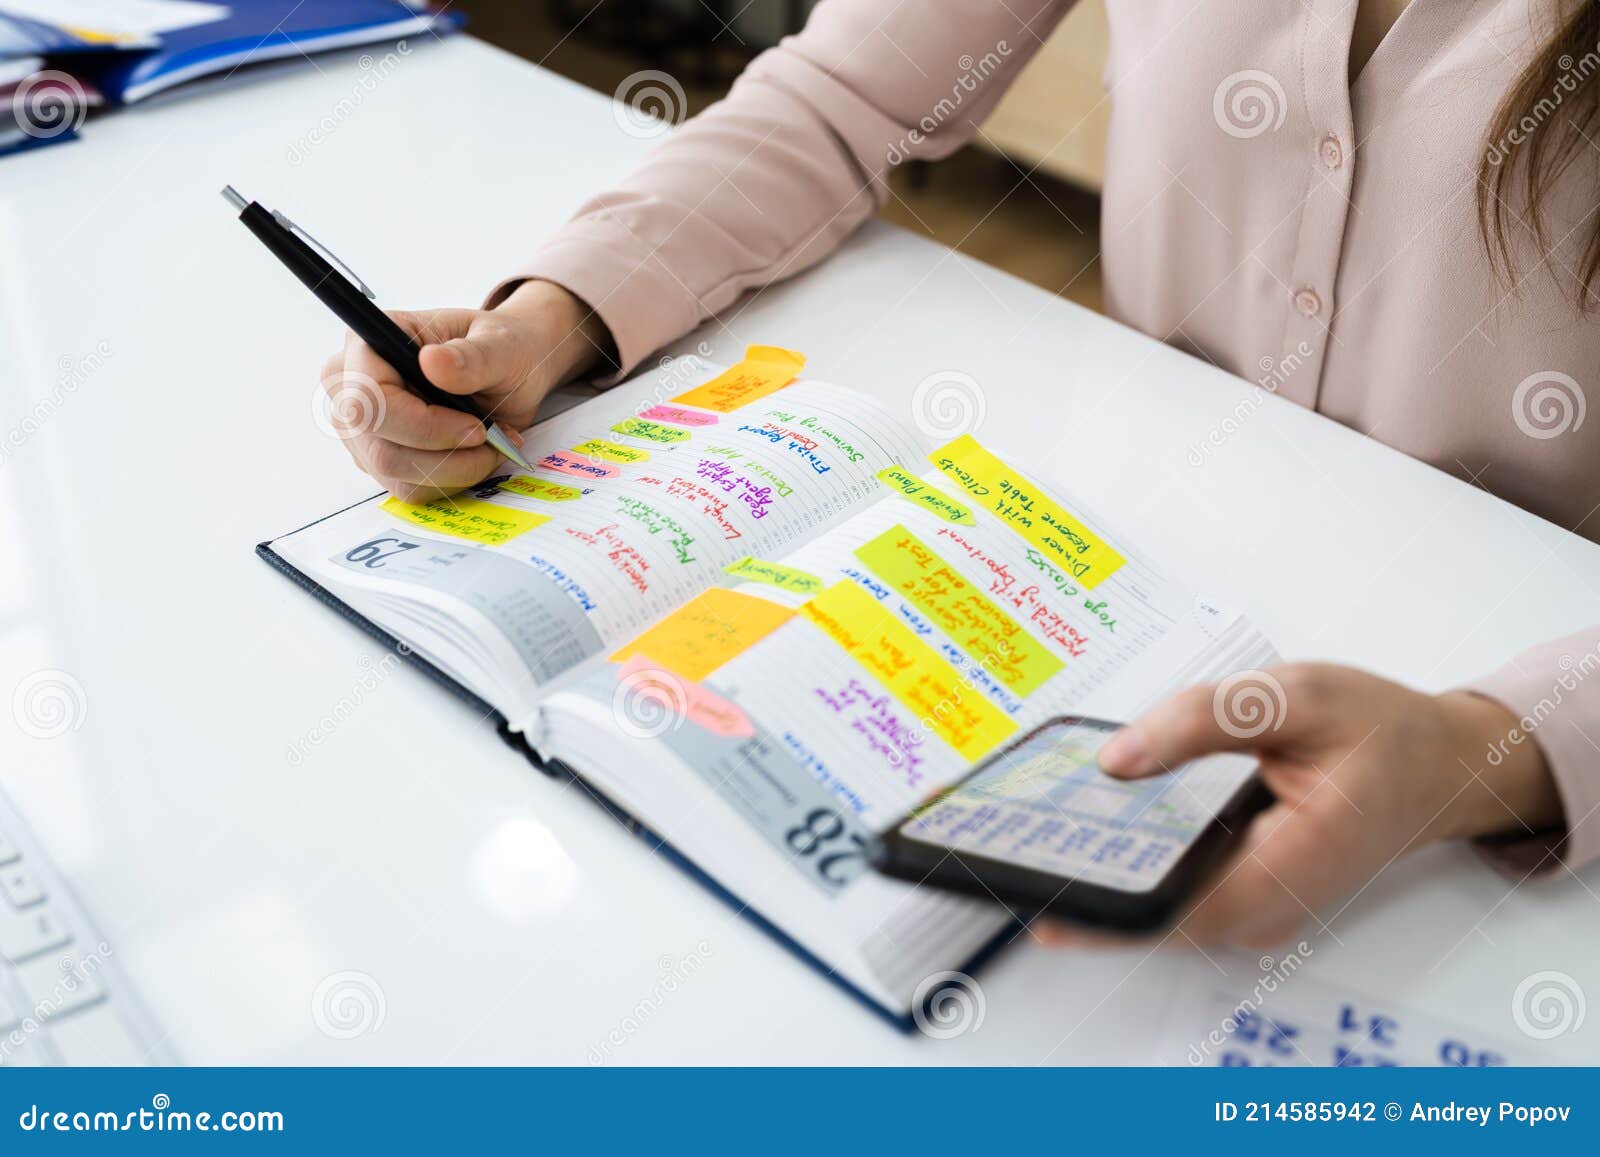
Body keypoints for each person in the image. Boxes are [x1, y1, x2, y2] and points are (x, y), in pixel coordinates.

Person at [320, 0, 1599, 948]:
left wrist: (1481, 746)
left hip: (1505, 700)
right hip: (1110, 591)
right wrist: (557, 315)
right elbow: (840, 98)